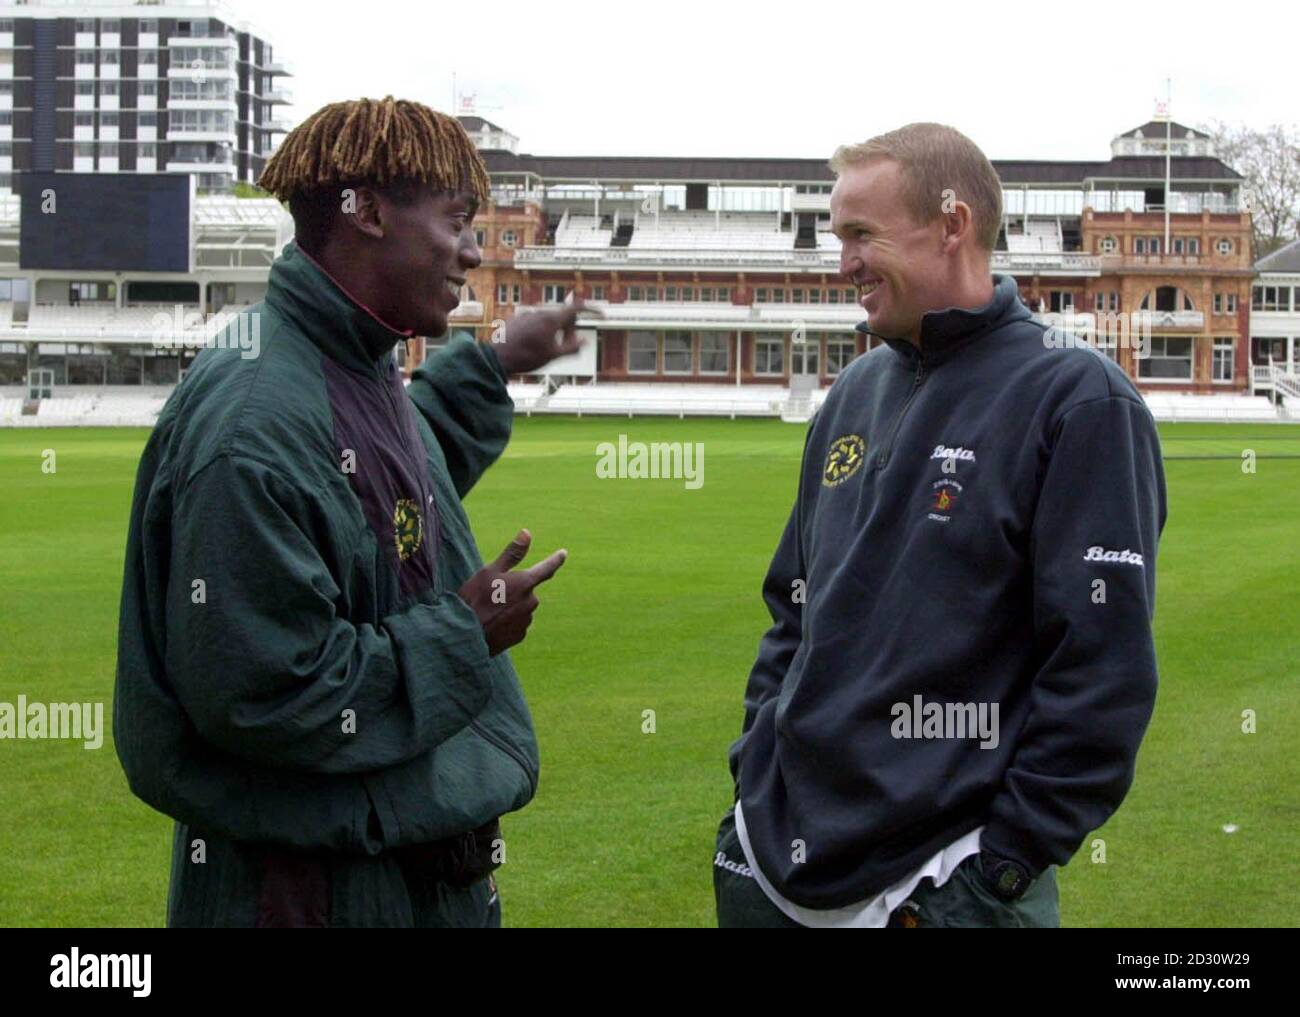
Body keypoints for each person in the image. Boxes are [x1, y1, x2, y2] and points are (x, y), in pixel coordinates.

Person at [115, 97, 583, 927]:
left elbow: (382, 488)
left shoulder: (348, 364)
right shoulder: (255, 418)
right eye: (458, 220)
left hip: (392, 872)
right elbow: (263, 690)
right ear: (365, 211)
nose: (475, 251)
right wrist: (462, 635)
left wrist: (502, 359)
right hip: (311, 895)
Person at [714, 122, 1167, 928]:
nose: (842, 261)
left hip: (943, 887)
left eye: (860, 234)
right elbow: (794, 606)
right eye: (836, 235)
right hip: (772, 868)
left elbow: (1101, 673)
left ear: (952, 224)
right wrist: (754, 774)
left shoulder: (1079, 399)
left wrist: (1002, 864)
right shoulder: (851, 393)